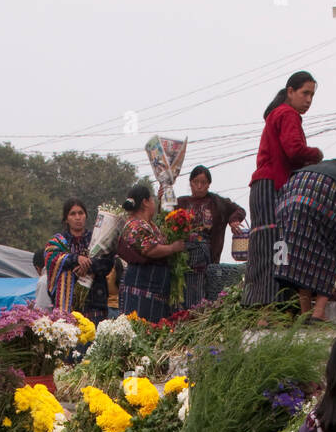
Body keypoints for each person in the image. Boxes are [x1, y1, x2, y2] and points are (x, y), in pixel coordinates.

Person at [243, 72, 322, 308]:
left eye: (312, 95)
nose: (308, 100)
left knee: (263, 246)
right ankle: (271, 310)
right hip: (274, 185)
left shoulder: (276, 115)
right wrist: (316, 155)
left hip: (261, 187)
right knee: (277, 246)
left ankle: (258, 307)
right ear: (290, 92)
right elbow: (294, 150)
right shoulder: (288, 114)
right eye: (304, 93)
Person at [273, 160, 336, 321]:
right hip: (323, 191)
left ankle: (305, 313)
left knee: (302, 255)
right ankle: (319, 312)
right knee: (329, 249)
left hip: (288, 196)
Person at [175, 165, 245, 308]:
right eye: (196, 182)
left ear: (209, 185)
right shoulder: (181, 202)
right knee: (181, 288)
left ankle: (197, 314)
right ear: (190, 183)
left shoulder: (217, 203)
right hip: (182, 255)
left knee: (202, 289)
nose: (199, 186)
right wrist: (162, 195)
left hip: (206, 255)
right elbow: (164, 213)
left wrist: (233, 221)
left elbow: (239, 210)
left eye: (204, 183)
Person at [116, 184, 187, 323]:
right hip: (141, 287)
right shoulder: (135, 225)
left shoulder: (149, 225)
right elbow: (149, 249)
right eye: (153, 200)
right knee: (141, 329)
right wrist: (173, 248)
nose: (154, 203)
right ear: (145, 202)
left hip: (155, 287)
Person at [43, 199, 112, 323]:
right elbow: (51, 257)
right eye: (73, 214)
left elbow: (107, 262)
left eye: (81, 213)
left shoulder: (96, 239)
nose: (77, 217)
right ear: (66, 219)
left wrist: (87, 266)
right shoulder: (59, 241)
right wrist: (76, 259)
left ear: (86, 215)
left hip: (95, 303)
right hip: (67, 305)